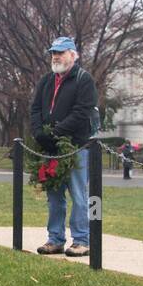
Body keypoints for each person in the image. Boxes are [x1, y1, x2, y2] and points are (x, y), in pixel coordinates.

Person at [30, 36, 97, 257]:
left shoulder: (83, 79)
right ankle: (55, 239)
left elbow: (82, 111)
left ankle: (82, 240)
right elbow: (36, 109)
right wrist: (40, 133)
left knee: (79, 194)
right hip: (51, 150)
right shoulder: (46, 81)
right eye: (53, 53)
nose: (55, 56)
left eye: (60, 52)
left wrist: (57, 133)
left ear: (72, 54)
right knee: (54, 195)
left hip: (76, 147)